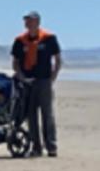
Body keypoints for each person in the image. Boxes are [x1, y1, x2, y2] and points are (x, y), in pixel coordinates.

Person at [9, 11, 61, 157]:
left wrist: (53, 77)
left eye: (30, 20)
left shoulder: (49, 38)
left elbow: (57, 59)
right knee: (30, 116)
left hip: (44, 81)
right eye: (26, 21)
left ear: (37, 22)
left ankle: (51, 146)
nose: (27, 23)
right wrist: (22, 77)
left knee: (47, 115)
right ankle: (36, 147)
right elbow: (15, 62)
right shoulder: (20, 41)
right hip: (27, 83)